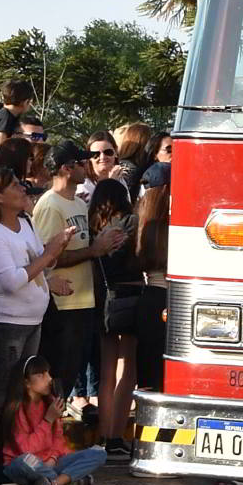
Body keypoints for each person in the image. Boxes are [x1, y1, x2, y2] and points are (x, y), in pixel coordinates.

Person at [0, 163, 70, 483]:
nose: (21, 189)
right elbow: (13, 281)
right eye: (13, 185)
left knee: (18, 395)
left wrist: (54, 259)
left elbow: (37, 262)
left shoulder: (25, 223)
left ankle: (11, 457)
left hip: (31, 320)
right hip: (5, 322)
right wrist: (50, 253)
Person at [31, 143, 126, 422]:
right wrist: (93, 250)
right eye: (82, 162)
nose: (89, 165)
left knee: (68, 375)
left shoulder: (77, 202)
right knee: (58, 375)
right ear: (66, 168)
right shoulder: (50, 204)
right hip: (63, 303)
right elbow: (48, 258)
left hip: (83, 300)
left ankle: (51, 439)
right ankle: (41, 438)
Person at [0, 355, 107, 485]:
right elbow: (25, 449)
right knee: (25, 460)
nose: (49, 379)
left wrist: (53, 458)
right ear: (26, 382)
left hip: (51, 463)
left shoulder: (50, 402)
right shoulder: (17, 409)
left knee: (99, 453)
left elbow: (58, 440)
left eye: (48, 373)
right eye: (41, 375)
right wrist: (47, 420)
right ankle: (68, 480)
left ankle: (54, 483)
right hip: (24, 465)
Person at [90, 175, 141, 459]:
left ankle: (104, 434)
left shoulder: (92, 225)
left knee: (107, 369)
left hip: (102, 298)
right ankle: (116, 435)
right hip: (129, 295)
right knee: (128, 368)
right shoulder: (130, 223)